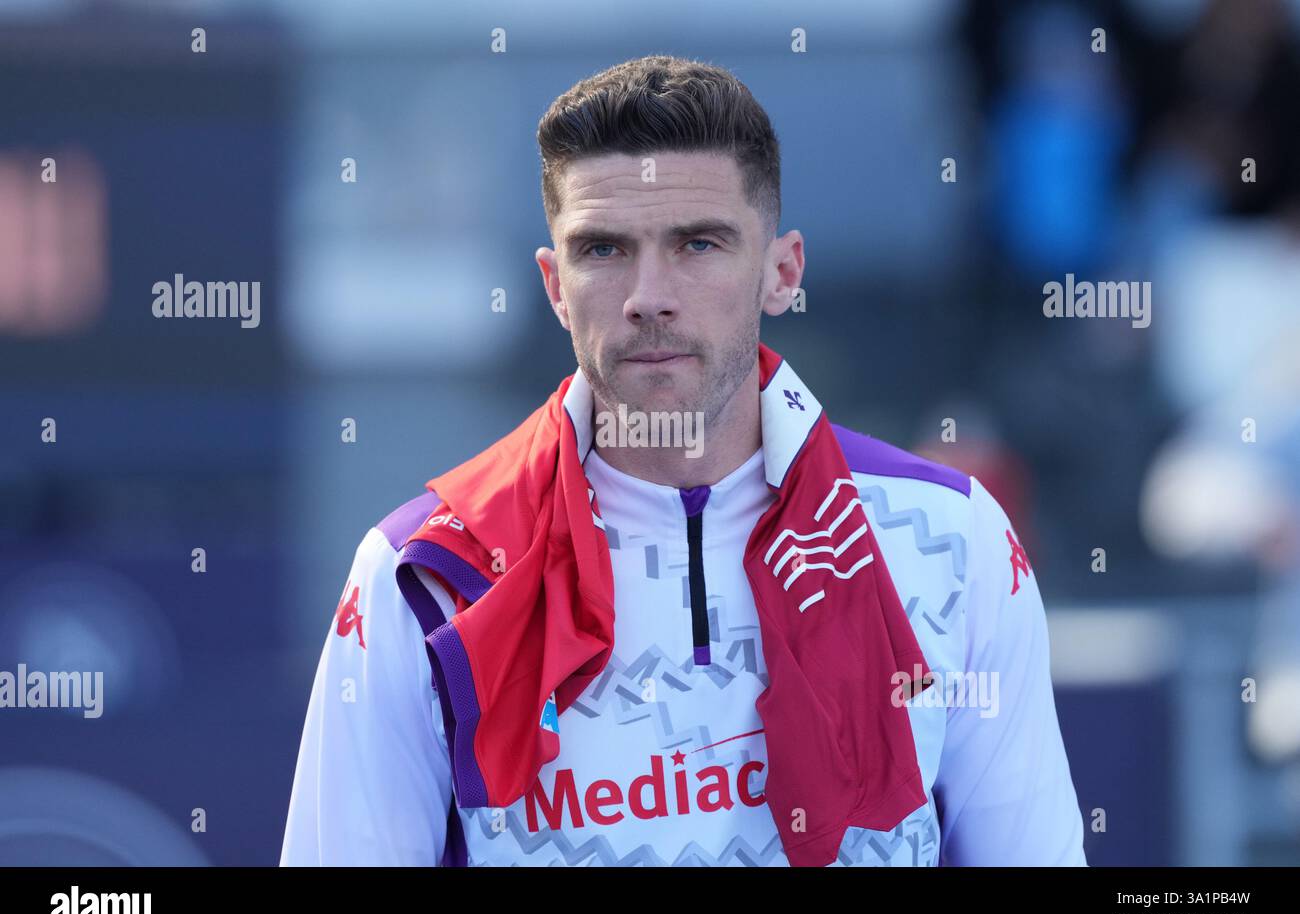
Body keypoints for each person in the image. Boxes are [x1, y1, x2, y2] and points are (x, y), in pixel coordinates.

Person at [280, 55, 1086, 867]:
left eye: (698, 244)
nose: (649, 294)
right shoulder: (425, 571)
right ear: (555, 287)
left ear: (782, 270)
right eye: (603, 250)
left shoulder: (952, 539)